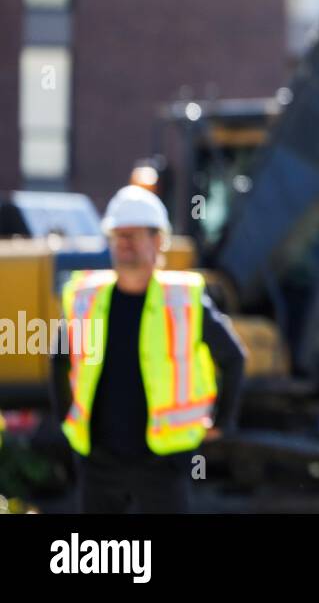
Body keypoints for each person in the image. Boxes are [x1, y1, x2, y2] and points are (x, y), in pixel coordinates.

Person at [51, 185, 246, 513]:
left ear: (158, 241)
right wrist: (66, 422)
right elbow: (58, 361)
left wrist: (223, 422)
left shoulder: (185, 299)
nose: (123, 243)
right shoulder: (84, 297)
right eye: (117, 235)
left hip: (162, 461)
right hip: (98, 458)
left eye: (132, 235)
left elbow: (233, 358)